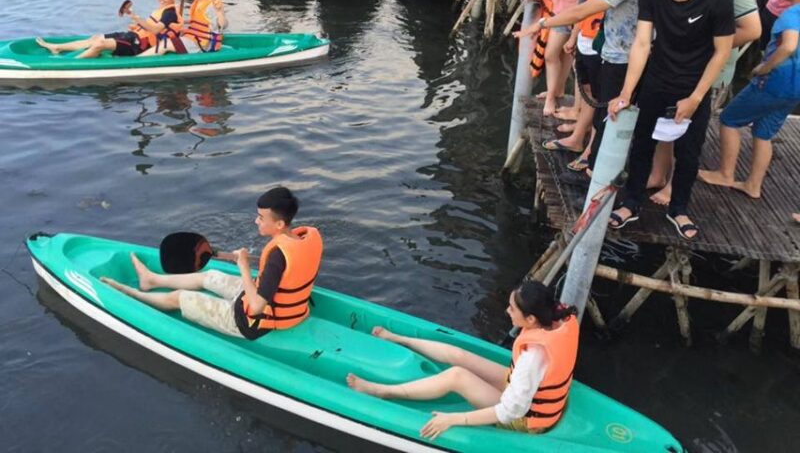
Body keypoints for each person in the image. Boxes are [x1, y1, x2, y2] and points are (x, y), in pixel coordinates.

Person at [607, 0, 735, 240]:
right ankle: (632, 201)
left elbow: (721, 52)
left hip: (695, 86)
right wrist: (625, 93)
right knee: (642, 145)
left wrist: (695, 97)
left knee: (689, 152)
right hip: (657, 80)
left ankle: (679, 208)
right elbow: (641, 43)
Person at [515, 0, 651, 181]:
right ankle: (594, 168)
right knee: (603, 117)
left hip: (621, 60)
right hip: (612, 54)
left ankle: (597, 183)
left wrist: (540, 24)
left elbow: (583, 9)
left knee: (607, 124)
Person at [346, 281, 578, 438]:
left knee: (457, 376)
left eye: (512, 309)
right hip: (528, 391)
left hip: (526, 418)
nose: (507, 311)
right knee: (460, 356)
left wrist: (456, 419)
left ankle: (384, 391)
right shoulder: (556, 321)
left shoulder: (532, 359)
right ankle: (399, 338)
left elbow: (510, 412)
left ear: (530, 318)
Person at [102, 187, 324, 340]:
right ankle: (151, 279)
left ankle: (132, 294)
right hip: (280, 306)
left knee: (180, 297)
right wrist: (243, 261)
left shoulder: (277, 255)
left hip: (252, 322)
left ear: (279, 224)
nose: (256, 220)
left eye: (261, 217)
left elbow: (256, 308)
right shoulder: (304, 238)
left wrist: (244, 266)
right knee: (208, 276)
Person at [647, 0, 761, 205]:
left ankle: (674, 186)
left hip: (709, 70)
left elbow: (752, 29)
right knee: (665, 125)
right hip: (678, 68)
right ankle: (658, 175)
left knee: (686, 134)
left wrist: (699, 46)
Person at [699, 0, 800, 199]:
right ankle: (753, 185)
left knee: (729, 119)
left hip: (774, 82)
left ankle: (726, 173)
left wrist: (765, 66)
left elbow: (789, 45)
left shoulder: (792, 13)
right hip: (794, 90)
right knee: (764, 132)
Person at [539, 0, 628, 167]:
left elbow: (602, 0)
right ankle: (580, 138)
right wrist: (576, 32)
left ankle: (590, 152)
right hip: (586, 30)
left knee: (602, 99)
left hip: (607, 40)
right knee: (588, 88)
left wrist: (551, 24)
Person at [36, 0, 181, 59]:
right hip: (133, 36)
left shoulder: (170, 13)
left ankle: (71, 63)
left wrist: (136, 17)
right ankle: (57, 47)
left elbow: (155, 29)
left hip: (138, 45)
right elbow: (149, 26)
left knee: (99, 44)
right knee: (95, 37)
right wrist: (136, 24)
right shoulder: (161, 10)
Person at [141, 0, 228, 55]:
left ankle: (137, 60)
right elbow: (199, 21)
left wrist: (220, 11)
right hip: (194, 38)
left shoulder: (212, 4)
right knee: (168, 36)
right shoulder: (196, 2)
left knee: (165, 44)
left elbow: (222, 25)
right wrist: (180, 21)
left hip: (203, 44)